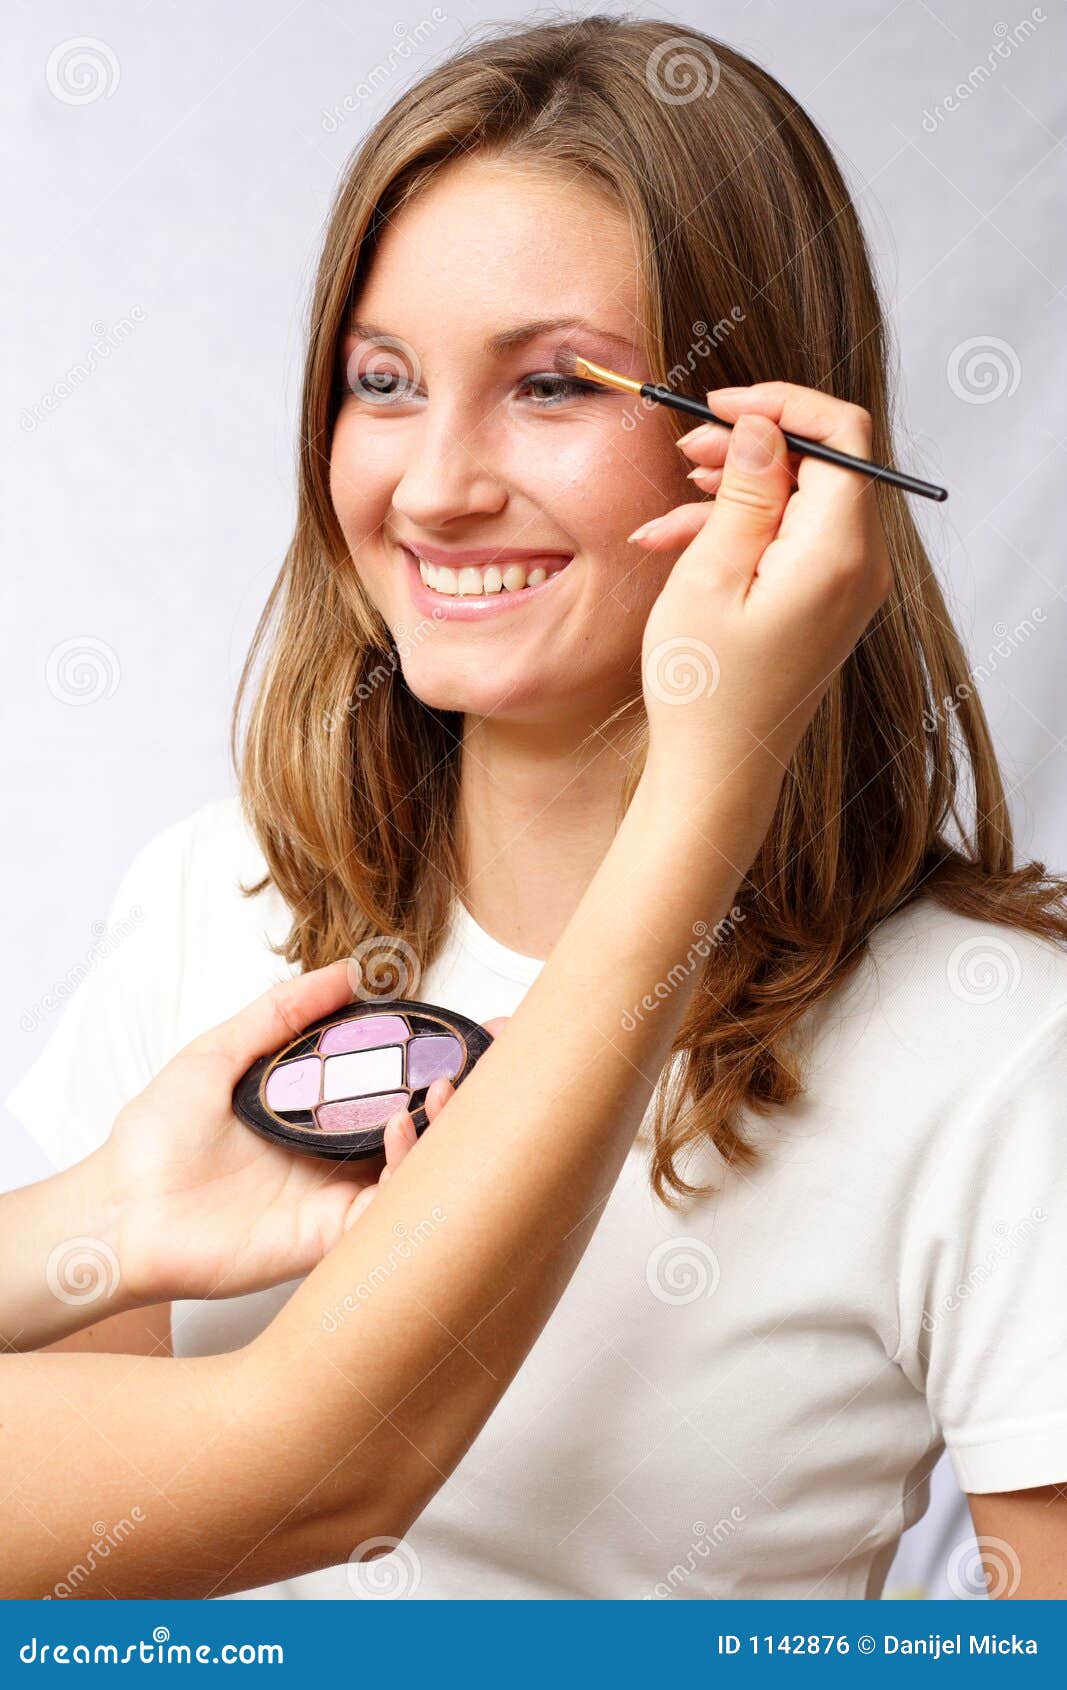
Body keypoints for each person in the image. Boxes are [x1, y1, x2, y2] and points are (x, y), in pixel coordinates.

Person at [7, 15, 1067, 1601]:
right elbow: (95, 1602)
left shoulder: (1000, 1042)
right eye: (383, 380)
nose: (435, 485)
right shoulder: (209, 906)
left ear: (760, 447)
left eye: (553, 385)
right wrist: (97, 1223)